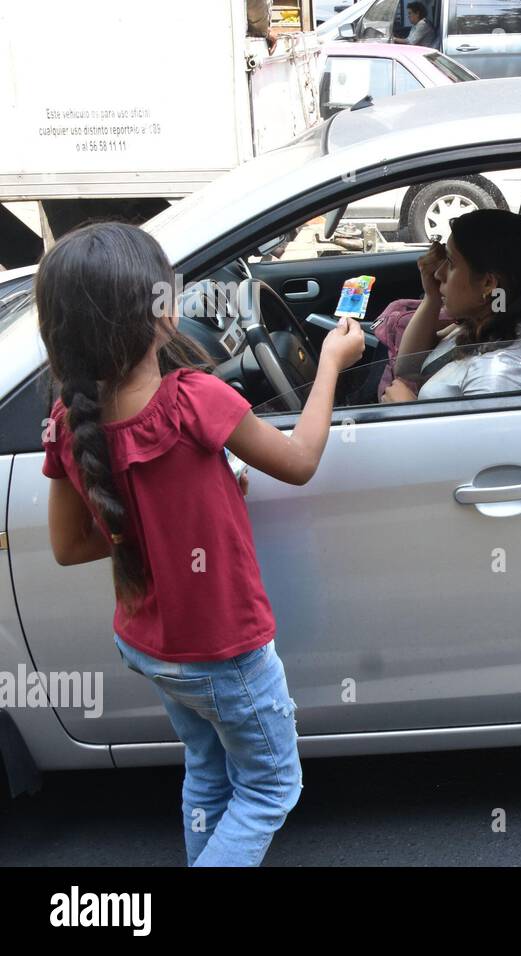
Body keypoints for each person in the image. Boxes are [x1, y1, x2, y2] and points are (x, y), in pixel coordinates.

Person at [37, 221, 365, 866]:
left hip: (148, 645)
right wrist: (330, 363)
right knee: (271, 787)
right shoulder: (192, 401)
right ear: (155, 317)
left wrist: (169, 527)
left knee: (209, 770)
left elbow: (71, 546)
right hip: (225, 654)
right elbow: (299, 460)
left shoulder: (67, 422)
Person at [382, 209, 521, 403]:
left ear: (488, 284)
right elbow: (408, 367)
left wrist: (407, 411)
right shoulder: (488, 323)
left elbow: (479, 434)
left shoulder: (502, 372)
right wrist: (432, 297)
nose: (438, 274)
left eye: (450, 262)